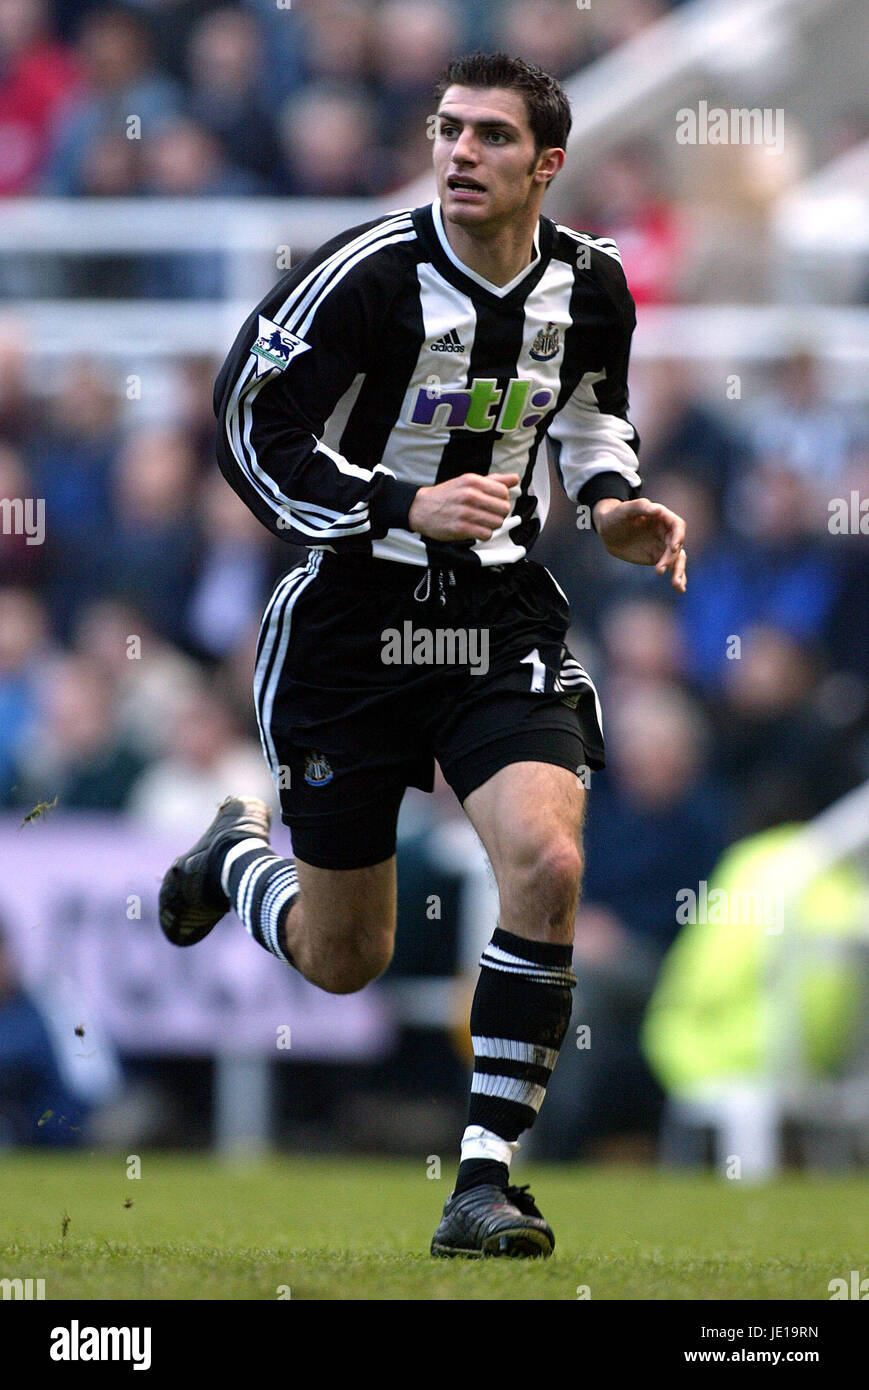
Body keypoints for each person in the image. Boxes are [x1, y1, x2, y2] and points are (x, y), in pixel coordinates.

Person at [158, 51, 687, 1259]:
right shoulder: (363, 276)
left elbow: (593, 406)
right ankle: (238, 864)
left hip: (497, 617)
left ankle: (483, 1179)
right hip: (350, 624)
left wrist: (610, 500)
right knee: (348, 960)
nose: (458, 151)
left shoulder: (591, 282)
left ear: (545, 165)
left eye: (490, 136)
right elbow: (248, 424)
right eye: (447, 129)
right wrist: (397, 505)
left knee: (547, 857)